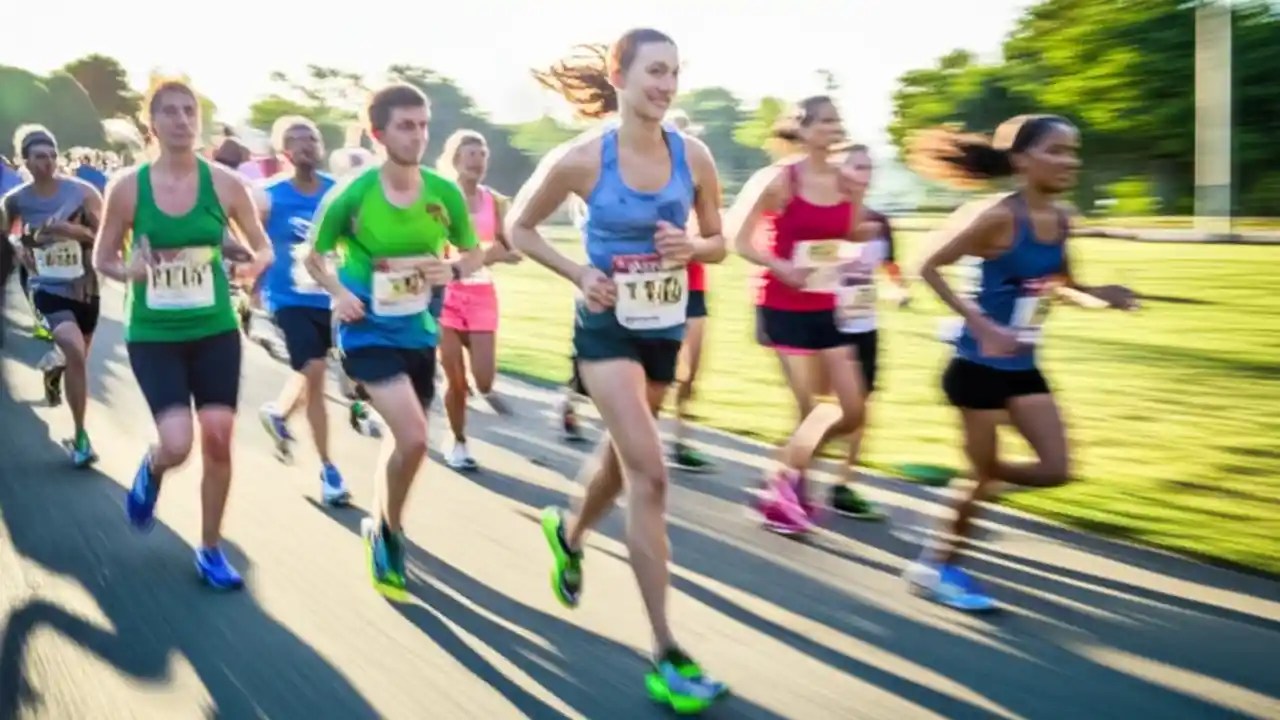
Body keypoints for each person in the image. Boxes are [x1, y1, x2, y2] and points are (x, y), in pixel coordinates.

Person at [510, 29, 729, 712]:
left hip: (662, 328)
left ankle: (567, 533)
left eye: (673, 73)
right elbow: (517, 227)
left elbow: (721, 242)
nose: (666, 85)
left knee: (621, 459)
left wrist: (692, 243)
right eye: (655, 72)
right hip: (605, 331)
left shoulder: (693, 156)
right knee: (651, 475)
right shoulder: (580, 159)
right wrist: (579, 273)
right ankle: (666, 653)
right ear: (620, 76)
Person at [905, 114, 1137, 611]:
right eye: (1055, 151)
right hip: (976, 367)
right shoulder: (996, 215)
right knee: (982, 477)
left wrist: (1101, 296)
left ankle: (972, 482)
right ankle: (937, 567)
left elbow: (1061, 284)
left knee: (1056, 469)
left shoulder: (1062, 218)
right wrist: (983, 324)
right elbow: (925, 266)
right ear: (1021, 161)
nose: (1069, 161)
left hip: (1024, 366)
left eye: (1073, 151)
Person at [302, 84, 484, 598]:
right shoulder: (353, 193)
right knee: (414, 436)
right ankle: (392, 535)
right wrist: (338, 293)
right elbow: (313, 257)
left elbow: (473, 254)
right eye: (407, 125)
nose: (419, 134)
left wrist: (450, 267)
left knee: (405, 443)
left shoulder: (442, 193)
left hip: (418, 329)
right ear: (379, 133)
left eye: (424, 124)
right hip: (366, 329)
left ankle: (383, 523)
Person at [93, 78, 274, 590]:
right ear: (152, 124)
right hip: (154, 333)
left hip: (214, 328)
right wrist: (129, 271)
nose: (181, 119)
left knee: (218, 440)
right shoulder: (128, 187)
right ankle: (153, 468)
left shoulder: (225, 184)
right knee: (178, 443)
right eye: (169, 112)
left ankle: (210, 549)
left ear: (200, 119)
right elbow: (102, 257)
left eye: (189, 110)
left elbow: (261, 248)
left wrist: (249, 266)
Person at [727, 96, 879, 534]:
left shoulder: (847, 182)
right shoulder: (779, 180)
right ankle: (789, 495)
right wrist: (782, 266)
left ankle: (782, 475)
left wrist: (861, 231)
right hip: (782, 303)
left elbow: (846, 236)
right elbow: (738, 239)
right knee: (809, 406)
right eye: (827, 120)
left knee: (851, 410)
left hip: (829, 305)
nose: (836, 127)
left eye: (839, 119)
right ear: (804, 128)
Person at [254, 116, 351, 505]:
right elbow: (249, 240)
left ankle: (278, 413)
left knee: (314, 372)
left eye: (311, 138)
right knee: (314, 373)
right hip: (289, 298)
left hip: (332, 296)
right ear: (283, 153)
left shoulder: (339, 192)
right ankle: (329, 470)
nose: (306, 145)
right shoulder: (269, 195)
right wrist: (252, 284)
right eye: (295, 140)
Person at [0, 126, 104, 465]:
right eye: (39, 157)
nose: (47, 163)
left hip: (86, 286)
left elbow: (105, 236)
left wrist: (75, 231)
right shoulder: (15, 201)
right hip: (45, 286)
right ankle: (80, 437)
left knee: (77, 357)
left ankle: (53, 368)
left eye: (52, 156)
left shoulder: (83, 192)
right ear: (25, 161)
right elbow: (8, 238)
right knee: (73, 348)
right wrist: (23, 245)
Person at [435, 130, 521, 470]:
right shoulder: (439, 200)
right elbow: (428, 246)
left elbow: (510, 247)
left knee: (483, 381)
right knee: (454, 378)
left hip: (482, 295)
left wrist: (487, 256)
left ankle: (468, 396)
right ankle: (457, 441)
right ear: (455, 159)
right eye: (470, 154)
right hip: (446, 295)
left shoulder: (495, 202)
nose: (477, 161)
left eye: (482, 154)